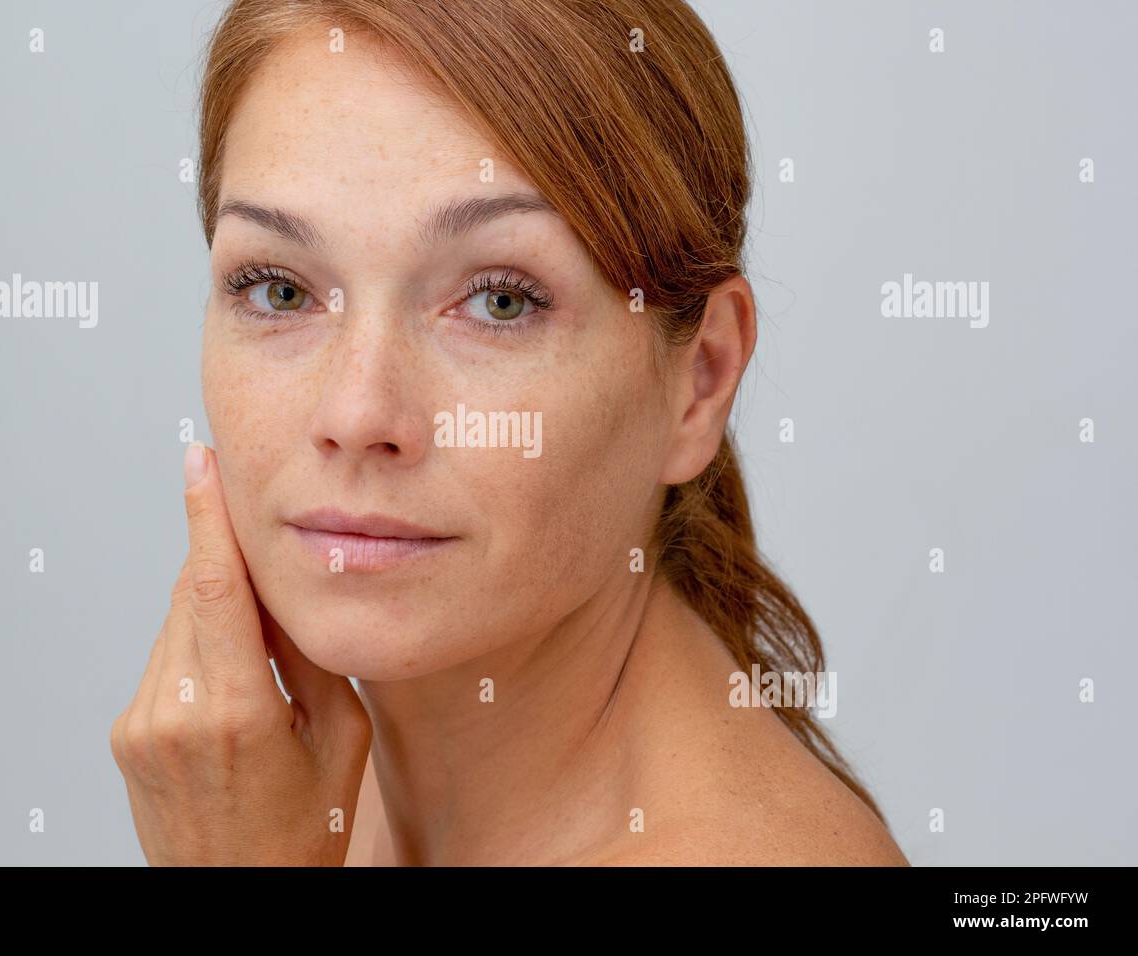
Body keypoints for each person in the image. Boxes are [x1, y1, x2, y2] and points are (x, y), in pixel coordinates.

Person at [110, 0, 909, 867]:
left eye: (499, 300)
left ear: (700, 381)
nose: (356, 415)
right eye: (280, 290)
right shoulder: (310, 792)